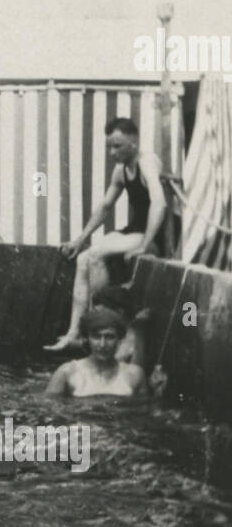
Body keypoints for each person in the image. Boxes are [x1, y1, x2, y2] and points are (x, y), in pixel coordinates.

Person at [45, 117, 167, 353]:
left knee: (97, 254)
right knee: (83, 258)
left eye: (117, 146)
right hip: (135, 230)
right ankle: (74, 333)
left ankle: (97, 326)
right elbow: (104, 207)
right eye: (110, 146)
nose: (112, 152)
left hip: (152, 234)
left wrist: (146, 243)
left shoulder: (148, 162)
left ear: (134, 142)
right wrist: (79, 240)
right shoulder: (121, 170)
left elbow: (159, 204)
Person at [45, 306, 149, 398]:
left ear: (119, 339)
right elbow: (50, 410)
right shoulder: (67, 372)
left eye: (110, 337)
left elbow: (144, 412)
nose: (102, 344)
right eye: (96, 337)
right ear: (87, 338)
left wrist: (157, 393)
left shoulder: (134, 374)